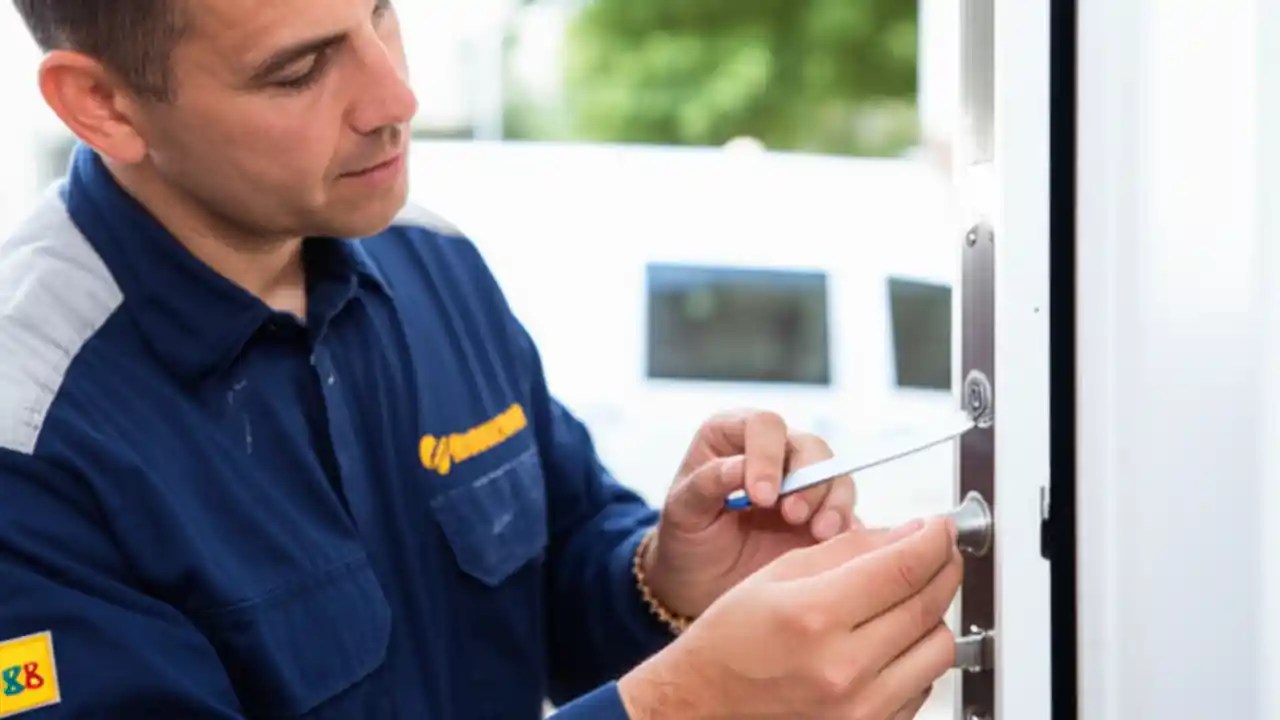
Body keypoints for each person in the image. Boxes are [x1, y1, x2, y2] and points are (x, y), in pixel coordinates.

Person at [0, 1, 964, 718]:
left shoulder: (428, 263)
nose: (395, 98)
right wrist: (681, 706)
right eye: (300, 71)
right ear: (101, 104)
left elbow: (562, 570)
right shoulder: (29, 443)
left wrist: (668, 581)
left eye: (381, 12)